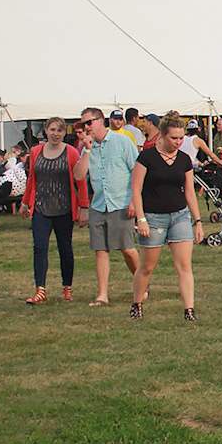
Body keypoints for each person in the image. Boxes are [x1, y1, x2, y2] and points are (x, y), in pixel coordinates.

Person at [128, 114, 203, 321]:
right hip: (153, 217)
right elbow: (136, 189)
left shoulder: (184, 159)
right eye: (174, 138)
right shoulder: (147, 158)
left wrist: (197, 221)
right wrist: (141, 219)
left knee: (184, 266)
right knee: (147, 267)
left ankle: (189, 310)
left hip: (179, 215)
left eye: (181, 138)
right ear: (162, 135)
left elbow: (189, 192)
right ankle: (137, 303)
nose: (178, 142)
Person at [75, 108, 141, 306]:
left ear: (101, 121)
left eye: (89, 122)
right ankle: (102, 294)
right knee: (100, 250)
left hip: (121, 202)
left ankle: (142, 282)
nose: (86, 127)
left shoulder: (122, 142)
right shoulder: (87, 147)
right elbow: (78, 175)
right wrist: (86, 150)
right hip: (99, 204)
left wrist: (133, 202)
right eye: (83, 124)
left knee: (127, 248)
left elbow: (137, 172)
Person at [19, 117, 89, 304]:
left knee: (65, 248)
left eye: (59, 130)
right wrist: (25, 203)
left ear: (64, 133)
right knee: (39, 248)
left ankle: (67, 287)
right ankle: (40, 289)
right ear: (46, 131)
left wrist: (84, 207)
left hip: (64, 208)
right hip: (41, 207)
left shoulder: (72, 152)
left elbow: (80, 181)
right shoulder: (35, 152)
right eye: (52, 130)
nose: (56, 133)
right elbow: (32, 178)